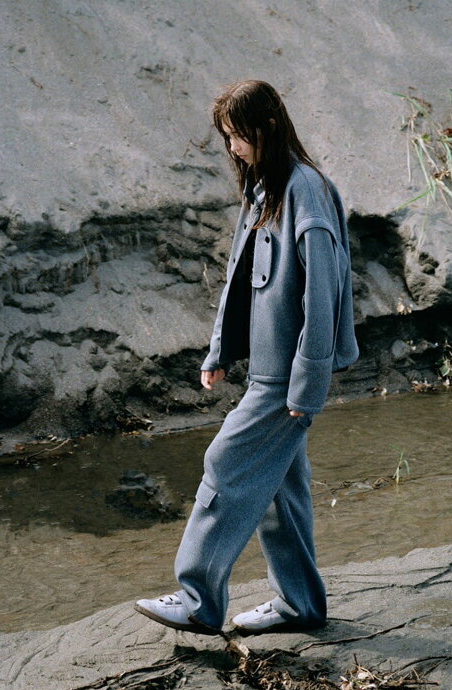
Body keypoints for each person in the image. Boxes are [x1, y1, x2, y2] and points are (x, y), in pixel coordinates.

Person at [135, 80, 358, 635]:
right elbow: (241, 276)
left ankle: (198, 602)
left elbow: (322, 297)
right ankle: (300, 605)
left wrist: (306, 387)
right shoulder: (266, 186)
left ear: (268, 128)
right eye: (228, 138)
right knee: (281, 492)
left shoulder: (306, 192)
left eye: (239, 136)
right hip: (266, 370)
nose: (233, 148)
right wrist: (220, 350)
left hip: (285, 380)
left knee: (225, 466)